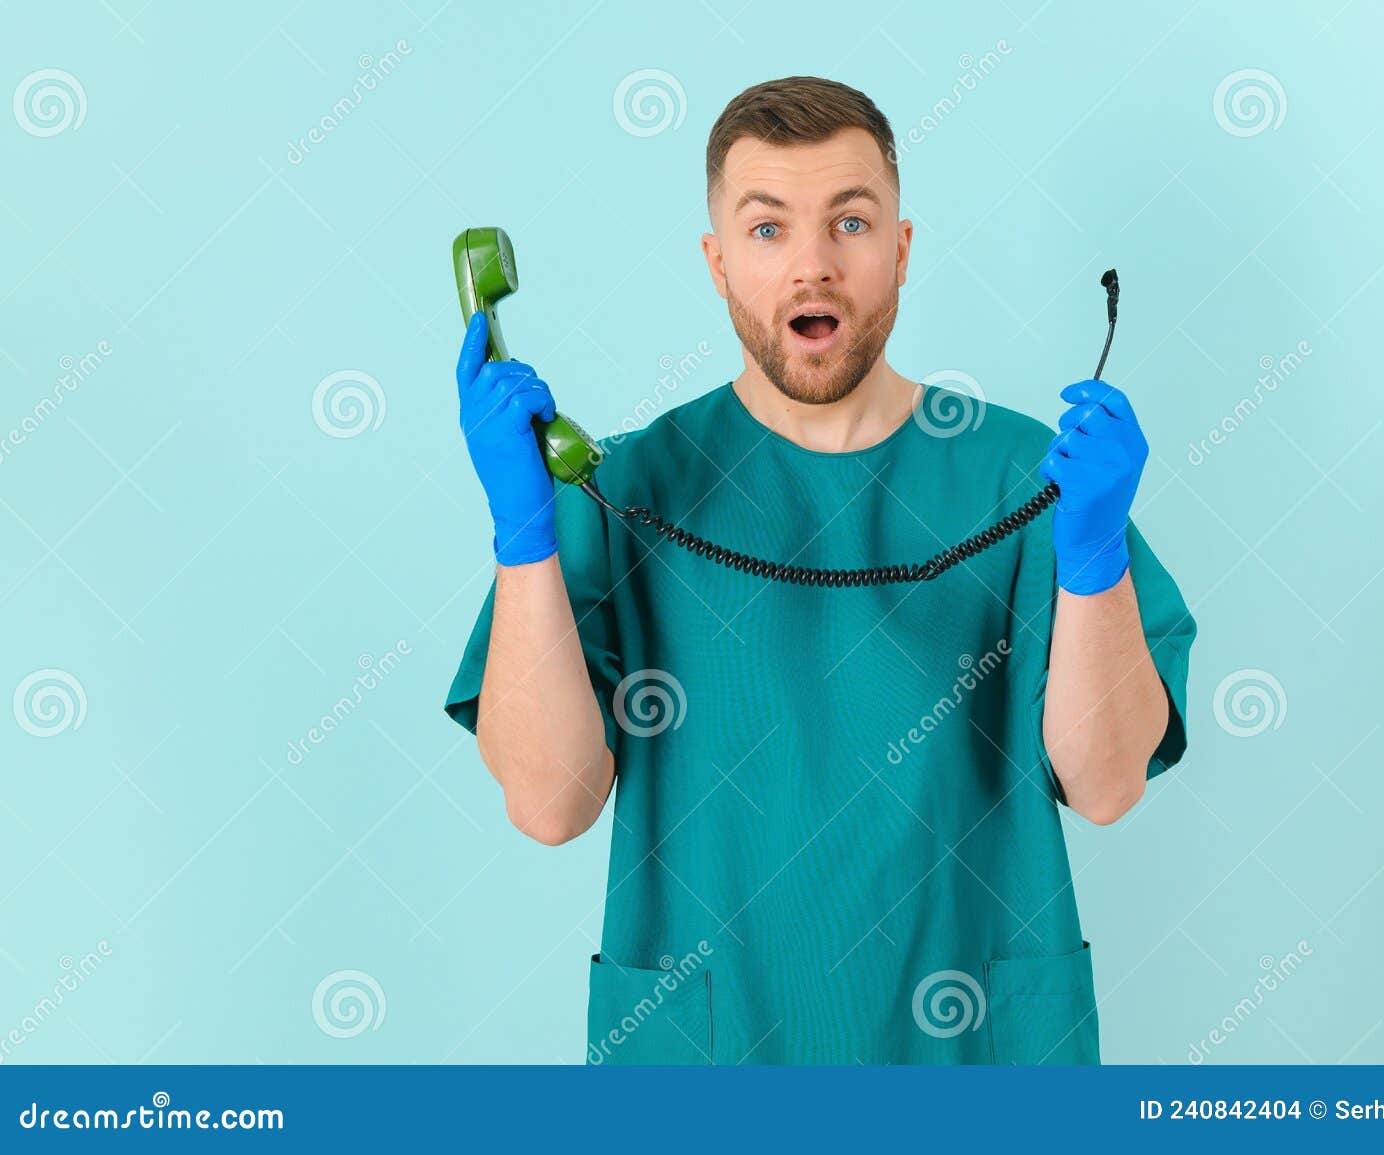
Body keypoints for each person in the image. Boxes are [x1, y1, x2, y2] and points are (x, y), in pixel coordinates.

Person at [443, 76, 1197, 1065]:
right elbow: (550, 805)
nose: (812, 266)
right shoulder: (623, 489)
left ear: (900, 249)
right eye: (766, 231)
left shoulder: (1030, 480)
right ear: (716, 265)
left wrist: (1093, 556)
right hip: (716, 1054)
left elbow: (1103, 786)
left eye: (850, 222)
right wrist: (525, 540)